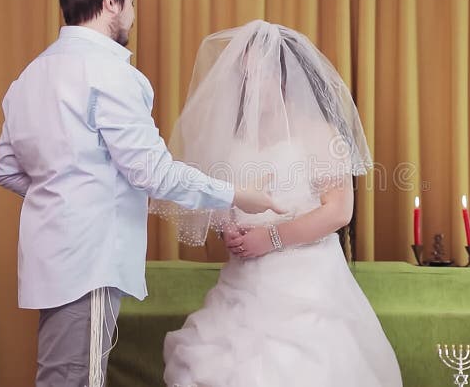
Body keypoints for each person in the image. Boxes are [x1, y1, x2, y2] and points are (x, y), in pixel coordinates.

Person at [0, 0, 281, 387]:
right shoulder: (110, 74)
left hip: (50, 256)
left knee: (60, 373)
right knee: (77, 378)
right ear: (110, 1)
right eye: (131, 4)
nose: (132, 15)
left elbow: (4, 167)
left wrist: (66, 191)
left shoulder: (29, 77)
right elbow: (155, 174)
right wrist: (236, 194)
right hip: (90, 259)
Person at [153, 20, 403, 387]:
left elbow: (339, 210)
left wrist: (270, 238)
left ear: (285, 78)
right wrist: (228, 227)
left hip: (305, 279)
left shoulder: (319, 132)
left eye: (261, 75)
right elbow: (225, 197)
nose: (250, 86)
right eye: (246, 75)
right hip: (242, 283)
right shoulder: (238, 139)